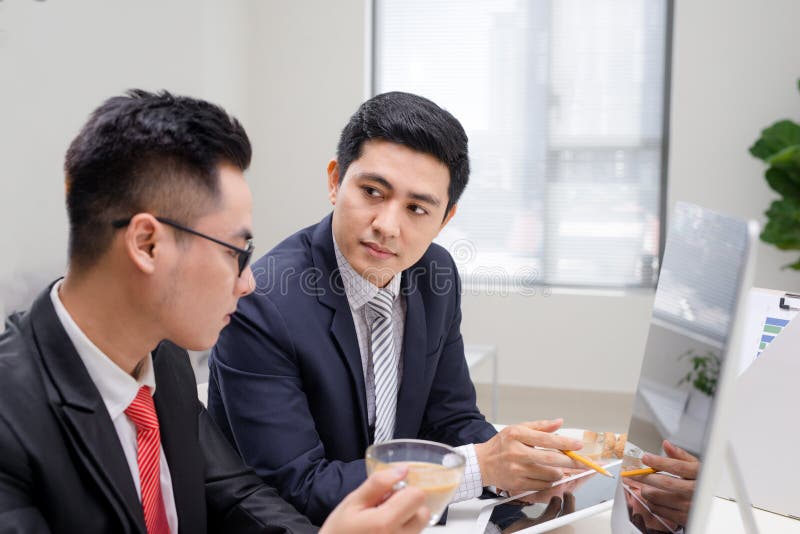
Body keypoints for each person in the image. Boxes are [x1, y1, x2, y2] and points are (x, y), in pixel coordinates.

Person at [0, 90, 430, 534]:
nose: (249, 282)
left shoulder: (163, 362)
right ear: (147, 244)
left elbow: (238, 496)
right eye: (236, 252)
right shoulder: (11, 423)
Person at [208, 91, 583, 525]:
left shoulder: (434, 274)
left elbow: (451, 420)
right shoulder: (263, 303)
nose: (387, 226)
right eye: (372, 191)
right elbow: (298, 485)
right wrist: (481, 465)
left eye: (417, 208)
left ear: (445, 219)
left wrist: (521, 472)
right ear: (335, 181)